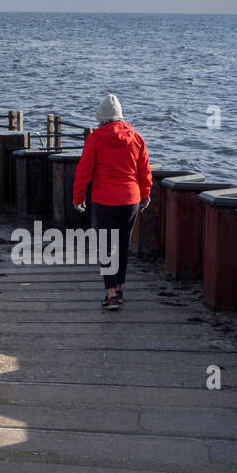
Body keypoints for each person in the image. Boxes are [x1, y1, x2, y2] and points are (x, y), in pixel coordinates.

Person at [72, 93, 152, 310]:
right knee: (122, 245)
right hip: (130, 199)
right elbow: (145, 171)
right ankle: (119, 288)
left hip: (105, 199)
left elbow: (83, 172)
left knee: (106, 246)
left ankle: (111, 295)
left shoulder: (95, 139)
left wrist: (78, 198)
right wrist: (145, 195)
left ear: (101, 118)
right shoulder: (136, 138)